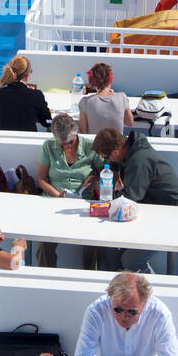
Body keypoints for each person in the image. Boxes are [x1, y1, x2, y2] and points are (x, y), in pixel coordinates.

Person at [73, 272, 178, 356]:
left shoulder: (160, 314)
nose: (124, 316)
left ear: (144, 303)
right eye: (118, 310)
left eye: (132, 311)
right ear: (110, 299)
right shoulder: (96, 311)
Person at [91, 127, 178, 275]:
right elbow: (118, 166)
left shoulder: (140, 161)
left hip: (173, 218)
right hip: (154, 213)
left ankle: (149, 292)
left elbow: (130, 196)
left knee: (130, 261)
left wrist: (101, 201)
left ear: (116, 152)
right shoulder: (131, 150)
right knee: (113, 254)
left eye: (106, 157)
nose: (106, 161)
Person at [35, 113, 103, 269]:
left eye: (71, 142)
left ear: (77, 135)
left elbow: (103, 171)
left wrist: (94, 177)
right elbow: (41, 179)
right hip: (54, 201)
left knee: (94, 240)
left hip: (83, 203)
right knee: (45, 242)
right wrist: (58, 196)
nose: (67, 146)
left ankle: (90, 276)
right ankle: (46, 278)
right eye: (62, 144)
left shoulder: (90, 146)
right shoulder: (48, 146)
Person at [0, 55, 51, 132]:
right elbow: (47, 122)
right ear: (27, 76)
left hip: (3, 142)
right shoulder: (36, 95)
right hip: (28, 142)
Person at [78, 63, 133, 136]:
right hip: (118, 146)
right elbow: (129, 123)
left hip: (96, 146)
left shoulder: (85, 102)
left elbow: (83, 132)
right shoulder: (122, 97)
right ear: (110, 79)